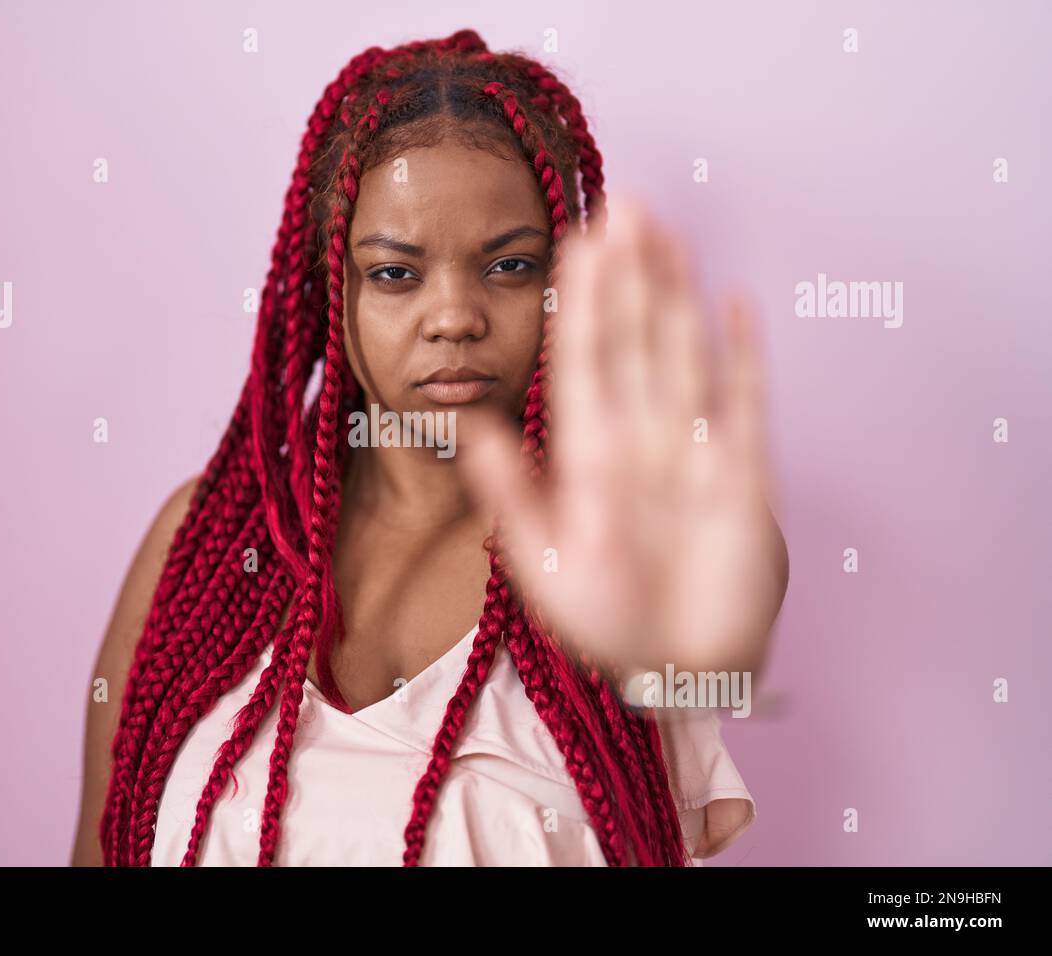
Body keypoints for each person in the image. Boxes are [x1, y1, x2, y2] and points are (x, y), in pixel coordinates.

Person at [71, 28, 788, 867]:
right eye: (396, 273)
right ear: (331, 290)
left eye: (511, 266)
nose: (454, 317)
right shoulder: (204, 545)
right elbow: (101, 848)